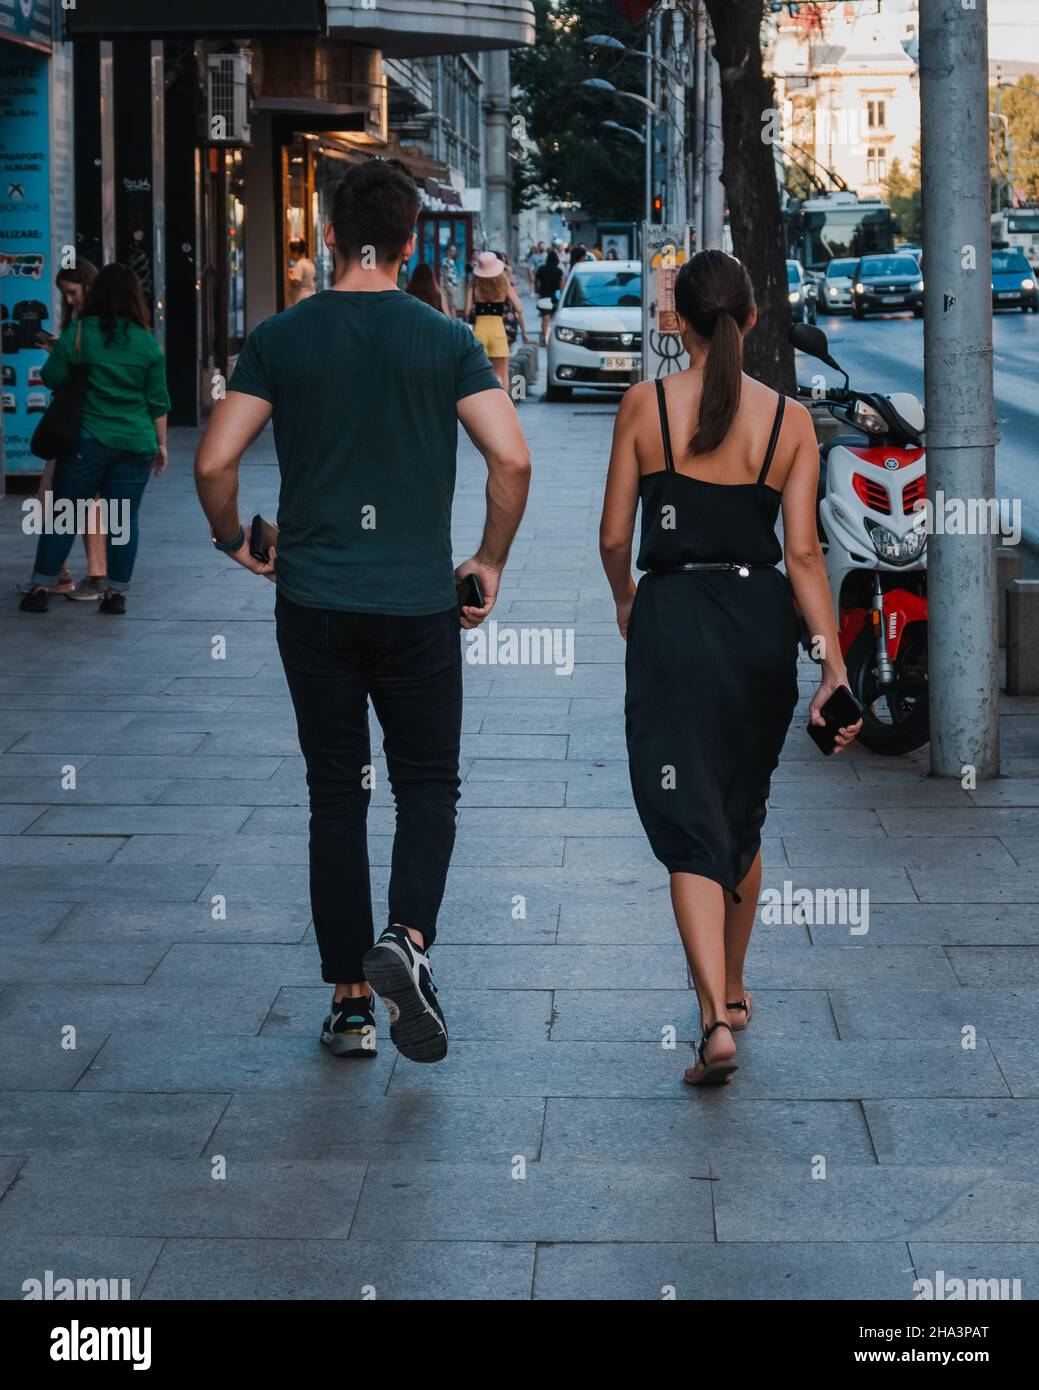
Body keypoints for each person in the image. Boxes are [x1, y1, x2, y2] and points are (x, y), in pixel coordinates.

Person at [194, 159, 531, 1065]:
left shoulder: (281, 337)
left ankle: (349, 1004)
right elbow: (513, 461)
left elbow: (213, 462)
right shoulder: (446, 339)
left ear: (331, 235)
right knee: (427, 784)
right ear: (412, 241)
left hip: (313, 603)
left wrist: (237, 542)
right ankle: (406, 941)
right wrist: (488, 560)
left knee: (334, 792)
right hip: (419, 605)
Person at [599, 249, 861, 1087]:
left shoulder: (645, 406)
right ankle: (737, 986)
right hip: (759, 627)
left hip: (672, 622)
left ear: (677, 322)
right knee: (739, 813)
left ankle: (712, 1016)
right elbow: (806, 556)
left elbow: (611, 538)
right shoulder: (789, 422)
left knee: (688, 825)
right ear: (748, 319)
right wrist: (832, 667)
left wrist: (626, 598)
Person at [20, 263, 170, 616]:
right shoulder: (147, 342)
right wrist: (161, 445)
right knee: (123, 517)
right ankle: (116, 594)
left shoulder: (79, 333)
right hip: (136, 443)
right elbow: (158, 402)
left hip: (87, 440)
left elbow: (52, 376)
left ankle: (41, 586)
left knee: (65, 514)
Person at [23, 259, 105, 599]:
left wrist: (60, 351)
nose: (68, 300)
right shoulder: (107, 325)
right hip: (89, 423)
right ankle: (89, 574)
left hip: (77, 423)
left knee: (55, 497)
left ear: (88, 286)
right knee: (85, 501)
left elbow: (58, 374)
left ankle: (59, 573)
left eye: (71, 292)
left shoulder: (87, 328)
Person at [465, 250, 527, 390]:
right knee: (502, 375)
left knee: (479, 375)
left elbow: (468, 311)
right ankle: (502, 407)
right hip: (498, 331)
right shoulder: (503, 284)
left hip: (479, 332)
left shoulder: (473, 285)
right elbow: (519, 307)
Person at [535, 247, 565, 346]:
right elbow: (561, 286)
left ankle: (545, 338)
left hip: (544, 296)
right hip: (555, 297)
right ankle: (553, 339)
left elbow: (537, 283)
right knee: (554, 319)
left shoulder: (541, 269)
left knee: (545, 319)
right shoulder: (559, 271)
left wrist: (538, 292)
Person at [287, 238, 316, 305]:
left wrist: (288, 275)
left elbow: (296, 282)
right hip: (310, 295)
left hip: (301, 297)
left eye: (291, 253)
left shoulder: (300, 264)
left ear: (296, 252)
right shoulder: (309, 262)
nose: (290, 255)